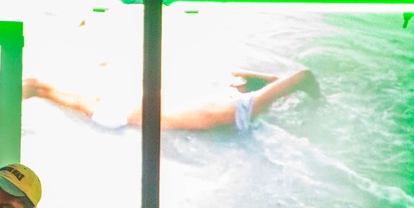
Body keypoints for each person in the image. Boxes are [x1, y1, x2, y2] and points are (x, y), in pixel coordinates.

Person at [23, 68, 321, 132]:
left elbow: (237, 75)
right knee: (44, 90)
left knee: (47, 90)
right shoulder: (242, 106)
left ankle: (15, 95)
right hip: (121, 112)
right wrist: (321, 104)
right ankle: (14, 96)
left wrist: (269, 81)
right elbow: (304, 76)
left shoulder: (232, 100)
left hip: (124, 109)